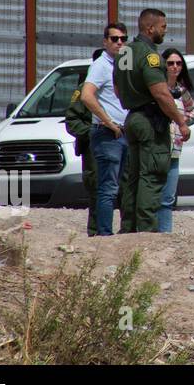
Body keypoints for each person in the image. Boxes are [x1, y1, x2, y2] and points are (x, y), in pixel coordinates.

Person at [114, 9, 191, 233]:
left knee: (133, 176)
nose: (164, 31)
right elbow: (160, 93)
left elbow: (118, 89)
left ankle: (128, 226)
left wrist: (134, 100)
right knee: (152, 174)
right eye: (163, 27)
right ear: (150, 28)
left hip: (132, 117)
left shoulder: (125, 53)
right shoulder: (151, 56)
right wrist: (181, 121)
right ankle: (146, 229)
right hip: (149, 120)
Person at [82, 24, 130, 235]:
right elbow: (86, 96)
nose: (119, 42)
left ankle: (126, 231)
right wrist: (108, 121)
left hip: (126, 132)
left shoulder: (122, 63)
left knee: (125, 186)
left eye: (123, 38)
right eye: (114, 39)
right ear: (105, 42)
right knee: (108, 188)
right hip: (109, 134)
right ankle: (104, 234)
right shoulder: (101, 65)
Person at [156, 49, 194, 233]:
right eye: (171, 63)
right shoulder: (158, 87)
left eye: (178, 63)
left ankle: (165, 233)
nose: (174, 67)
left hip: (175, 148)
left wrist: (181, 121)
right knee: (155, 194)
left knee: (168, 197)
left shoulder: (181, 90)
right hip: (158, 146)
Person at [63, 47, 102, 236]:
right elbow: (72, 120)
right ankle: (96, 232)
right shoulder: (84, 90)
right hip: (94, 146)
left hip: (118, 142)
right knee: (96, 189)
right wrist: (91, 132)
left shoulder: (119, 87)